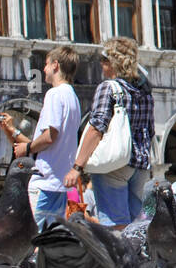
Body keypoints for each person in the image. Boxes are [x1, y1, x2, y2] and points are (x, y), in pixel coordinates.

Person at [66, 37, 155, 229]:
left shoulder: (109, 88)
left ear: (113, 63)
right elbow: (150, 130)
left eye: (104, 60)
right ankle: (138, 257)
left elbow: (96, 128)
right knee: (136, 224)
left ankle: (120, 258)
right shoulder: (145, 90)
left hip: (114, 165)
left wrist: (77, 167)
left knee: (115, 224)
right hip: (139, 165)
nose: (101, 64)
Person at [7, 45, 80, 229]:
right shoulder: (73, 97)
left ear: (56, 65)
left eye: (46, 64)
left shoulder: (54, 94)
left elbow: (50, 136)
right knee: (51, 238)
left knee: (30, 236)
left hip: (45, 181)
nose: (44, 69)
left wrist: (28, 148)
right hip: (59, 184)